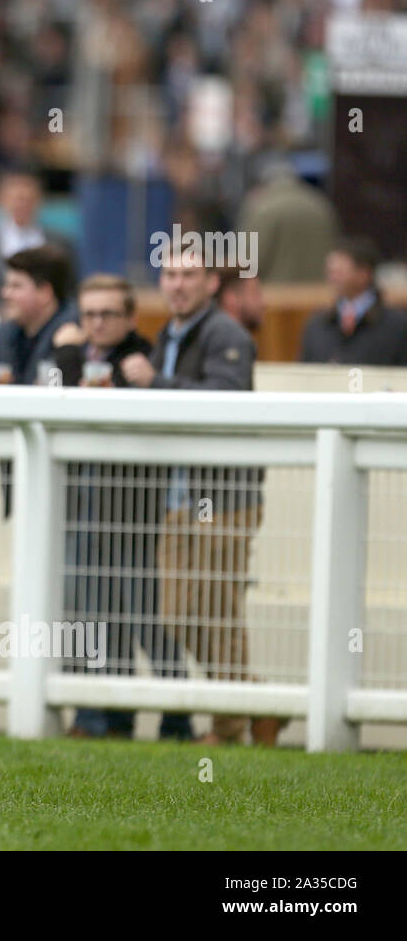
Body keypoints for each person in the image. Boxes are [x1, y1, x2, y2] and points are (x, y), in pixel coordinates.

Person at [119, 243, 281, 746]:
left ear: (212, 283)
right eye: (170, 274)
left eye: (189, 274)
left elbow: (225, 400)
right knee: (178, 615)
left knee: (217, 611)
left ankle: (230, 725)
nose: (178, 284)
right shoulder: (168, 332)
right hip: (179, 500)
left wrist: (156, 383)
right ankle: (258, 703)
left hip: (224, 498)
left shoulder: (226, 333)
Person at [52, 274, 191, 741]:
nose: (97, 323)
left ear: (129, 317)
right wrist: (67, 356)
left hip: (133, 515)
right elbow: (50, 401)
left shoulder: (144, 358)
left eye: (108, 313)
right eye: (89, 314)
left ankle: (178, 719)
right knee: (91, 617)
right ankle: (107, 717)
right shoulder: (74, 355)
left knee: (148, 619)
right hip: (82, 512)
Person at [0, 168, 73, 331]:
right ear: (1, 199)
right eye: (16, 198)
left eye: (27, 199)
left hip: (50, 329)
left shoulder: (60, 243)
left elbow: (70, 290)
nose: (21, 204)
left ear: (39, 199)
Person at [299, 237, 407, 366]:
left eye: (339, 272)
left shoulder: (396, 326)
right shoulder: (317, 325)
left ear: (364, 273)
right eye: (330, 272)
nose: (333, 278)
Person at [0, 244, 77, 386]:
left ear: (45, 293)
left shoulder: (74, 334)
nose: (5, 294)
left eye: (16, 286)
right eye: (6, 285)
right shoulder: (4, 333)